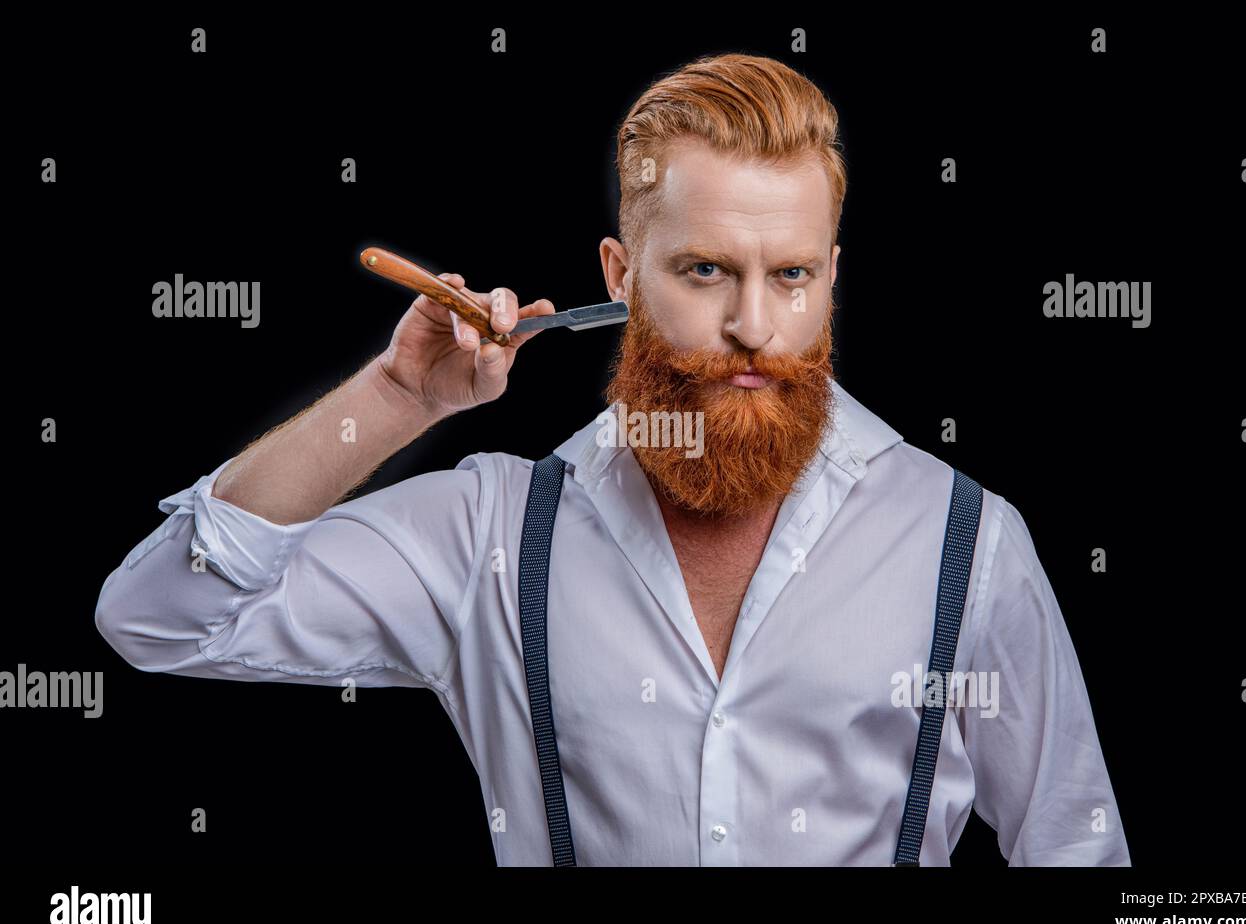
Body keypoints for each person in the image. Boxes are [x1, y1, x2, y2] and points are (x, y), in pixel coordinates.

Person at [95, 53, 1130, 866]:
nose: (752, 326)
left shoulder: (963, 538)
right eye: (703, 270)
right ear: (620, 274)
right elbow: (159, 617)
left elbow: (1075, 843)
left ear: (832, 276)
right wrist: (393, 399)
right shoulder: (493, 534)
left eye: (793, 274)